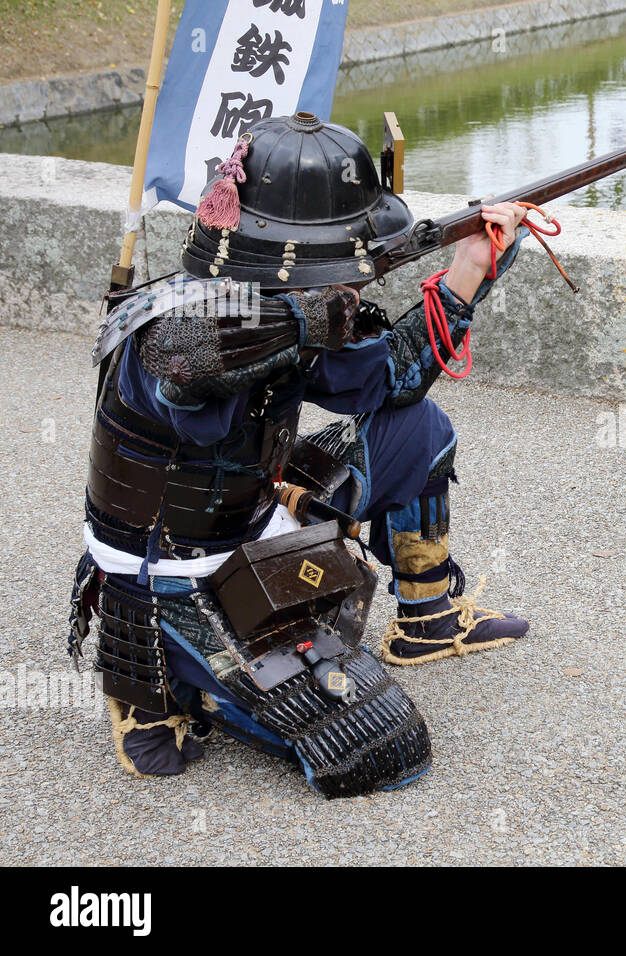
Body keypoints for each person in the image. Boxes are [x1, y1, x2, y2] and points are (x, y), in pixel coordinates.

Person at [69, 112, 530, 795]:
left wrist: (469, 270)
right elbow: (181, 357)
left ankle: (427, 617)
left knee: (416, 428)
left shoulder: (290, 308)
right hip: (173, 573)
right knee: (380, 748)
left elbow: (390, 378)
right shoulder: (166, 323)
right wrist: (311, 315)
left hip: (255, 516)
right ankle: (154, 674)